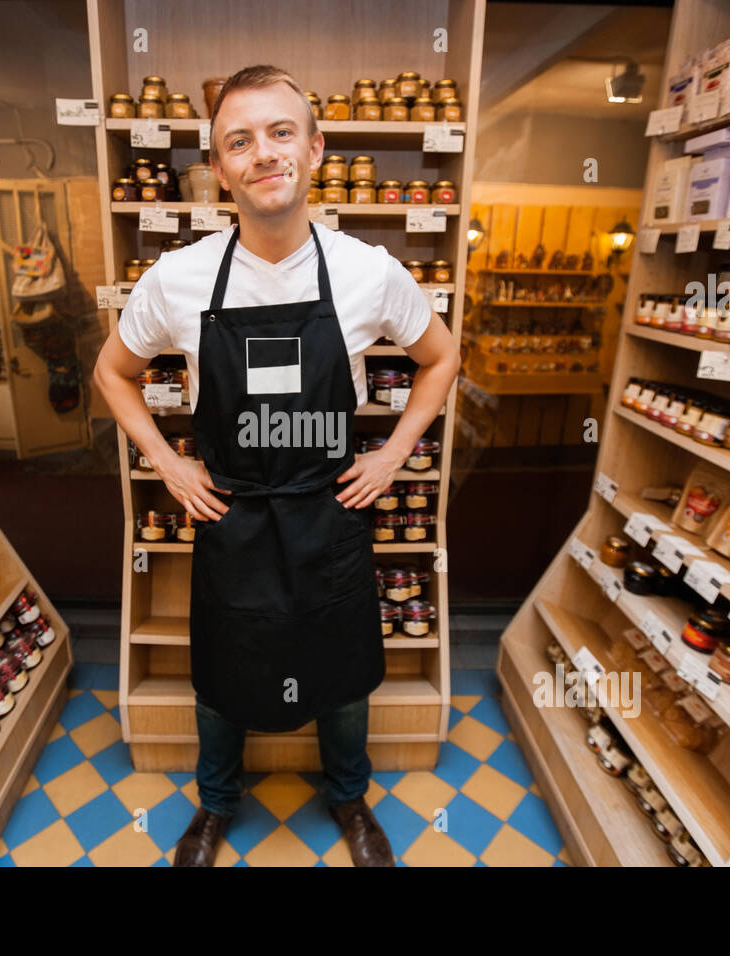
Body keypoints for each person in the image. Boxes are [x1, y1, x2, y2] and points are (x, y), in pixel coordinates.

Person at [93, 65, 461, 867]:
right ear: (218, 167)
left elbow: (441, 357)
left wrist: (396, 451)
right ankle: (215, 806)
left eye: (280, 132)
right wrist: (166, 464)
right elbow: (110, 373)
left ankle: (350, 798)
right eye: (239, 140)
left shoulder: (368, 271)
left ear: (316, 148)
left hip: (328, 509)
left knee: (344, 667)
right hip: (230, 510)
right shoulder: (180, 278)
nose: (263, 153)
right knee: (224, 669)